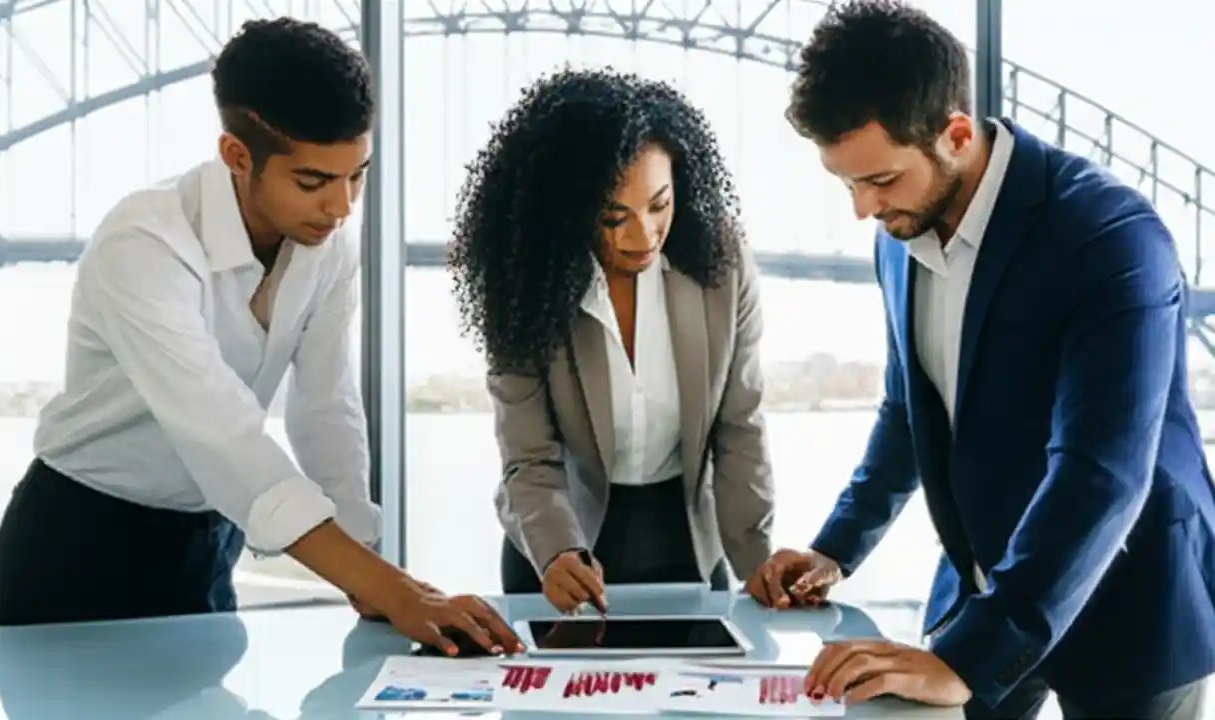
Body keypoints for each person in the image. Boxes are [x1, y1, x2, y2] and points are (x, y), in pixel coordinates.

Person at [0, 17, 521, 658]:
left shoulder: (328, 249)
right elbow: (224, 433)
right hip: (78, 546)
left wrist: (365, 567)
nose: (342, 207)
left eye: (357, 174)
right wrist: (391, 587)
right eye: (313, 181)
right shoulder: (145, 242)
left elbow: (326, 404)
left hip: (208, 541)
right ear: (237, 157)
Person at [749, 1, 1215, 718]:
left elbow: (1102, 472)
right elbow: (912, 411)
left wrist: (967, 658)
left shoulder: (1113, 237)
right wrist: (834, 550)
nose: (862, 211)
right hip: (984, 588)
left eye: (879, 181)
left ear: (956, 133)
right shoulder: (898, 234)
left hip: (1133, 602)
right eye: (847, 184)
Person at [447, 68, 776, 614]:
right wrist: (556, 553)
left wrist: (757, 558)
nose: (642, 235)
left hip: (689, 539)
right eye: (613, 216)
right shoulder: (523, 279)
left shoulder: (722, 261)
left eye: (659, 204)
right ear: (568, 211)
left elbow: (740, 424)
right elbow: (529, 456)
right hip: (561, 551)